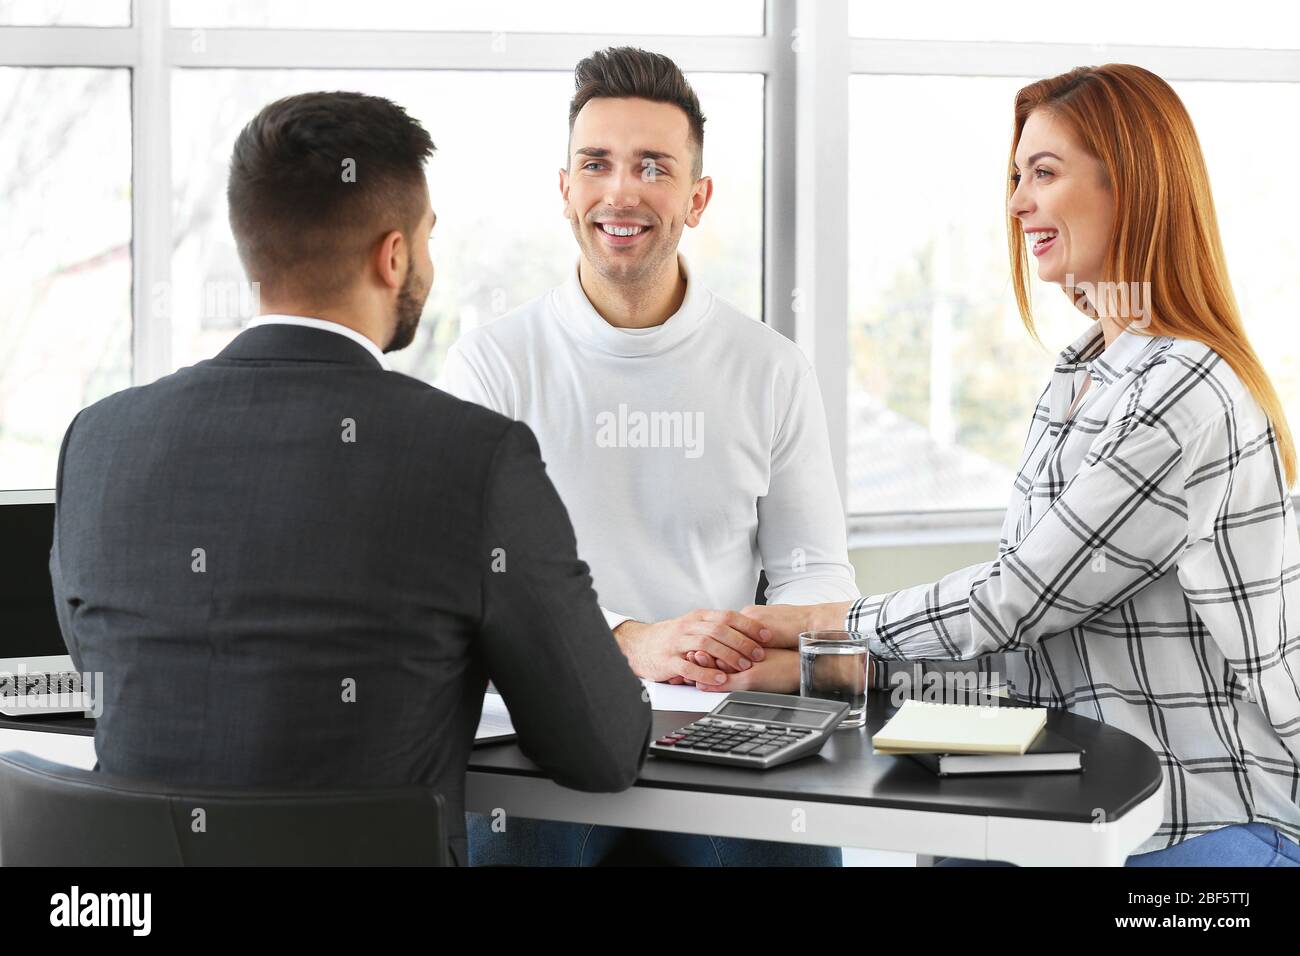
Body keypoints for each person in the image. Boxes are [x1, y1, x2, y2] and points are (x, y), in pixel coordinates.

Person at [48, 91, 651, 867]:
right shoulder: (474, 455)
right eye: (427, 241)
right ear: (392, 254)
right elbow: (600, 749)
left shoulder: (100, 439)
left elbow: (102, 661)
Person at [743, 64, 1300, 867]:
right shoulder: (1078, 380)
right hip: (1086, 801)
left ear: (1131, 187)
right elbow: (1028, 653)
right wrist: (812, 670)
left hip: (1209, 819)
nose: (1015, 204)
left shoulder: (1184, 391)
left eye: (1044, 173)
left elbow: (1017, 600)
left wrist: (822, 625)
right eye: (1016, 176)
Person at [437, 47, 858, 866]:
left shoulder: (769, 367)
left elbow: (817, 576)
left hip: (722, 718)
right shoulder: (491, 364)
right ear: (565, 190)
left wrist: (726, 648)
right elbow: (468, 584)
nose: (621, 192)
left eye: (653, 168)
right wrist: (626, 641)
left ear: (696, 199)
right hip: (542, 723)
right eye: (596, 164)